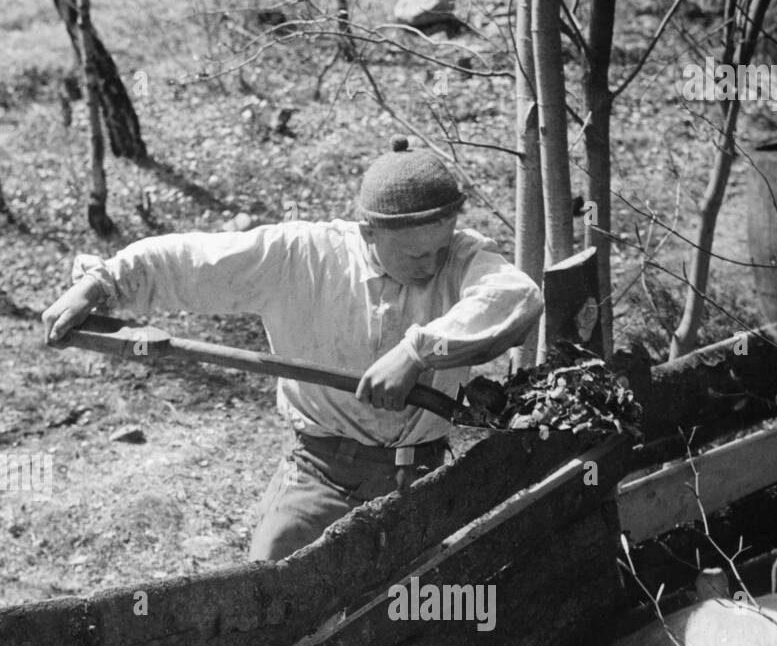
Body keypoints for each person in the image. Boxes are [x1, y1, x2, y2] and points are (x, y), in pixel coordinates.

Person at [42, 138, 544, 560]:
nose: (433, 264)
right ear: (369, 231)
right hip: (322, 475)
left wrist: (418, 352)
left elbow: (515, 297)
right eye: (416, 253)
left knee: (420, 621)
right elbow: (190, 262)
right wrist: (102, 283)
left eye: (440, 247)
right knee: (269, 598)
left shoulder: (461, 257)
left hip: (428, 479)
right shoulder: (301, 256)